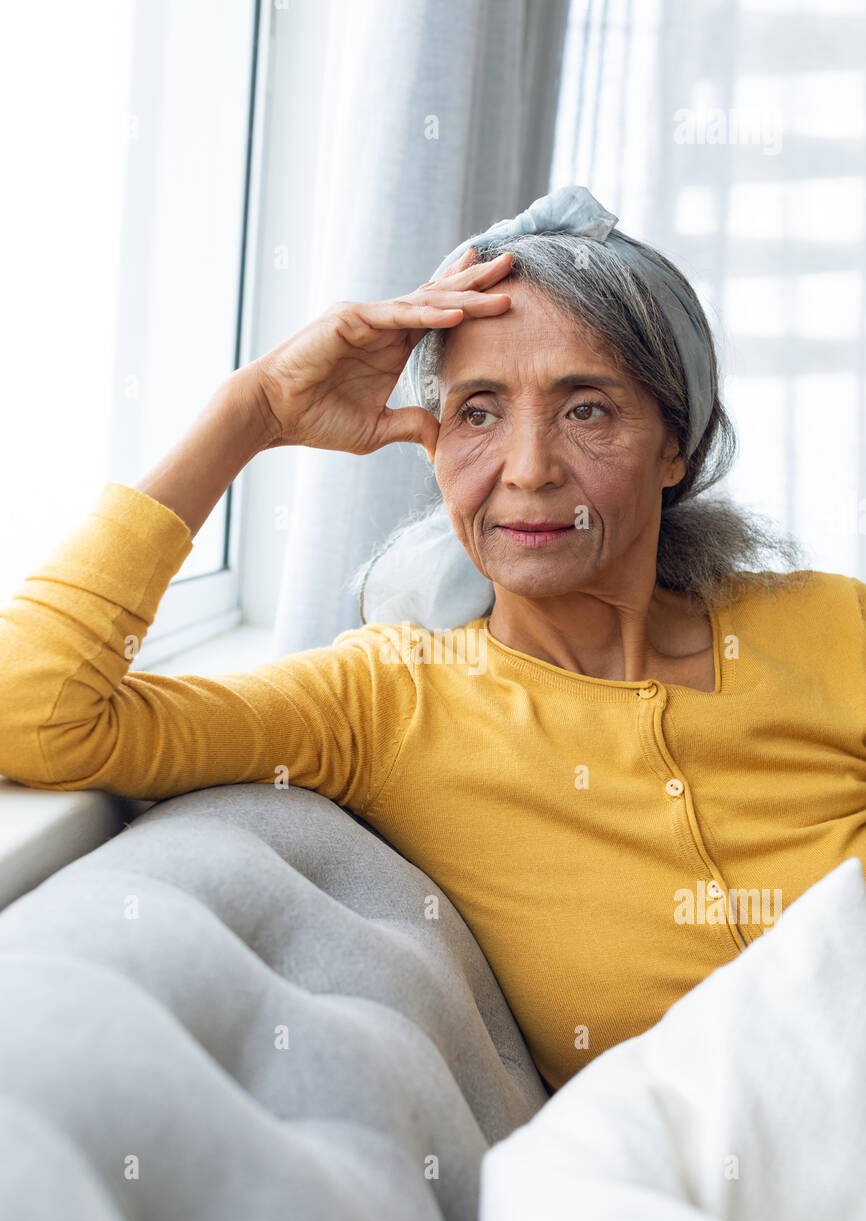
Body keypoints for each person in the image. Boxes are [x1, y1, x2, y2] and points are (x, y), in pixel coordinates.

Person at [2, 186, 864, 1094]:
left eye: (587, 410)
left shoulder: (830, 625)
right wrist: (248, 413)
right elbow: (35, 711)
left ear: (674, 446)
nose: (527, 470)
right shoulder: (386, 702)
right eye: (479, 412)